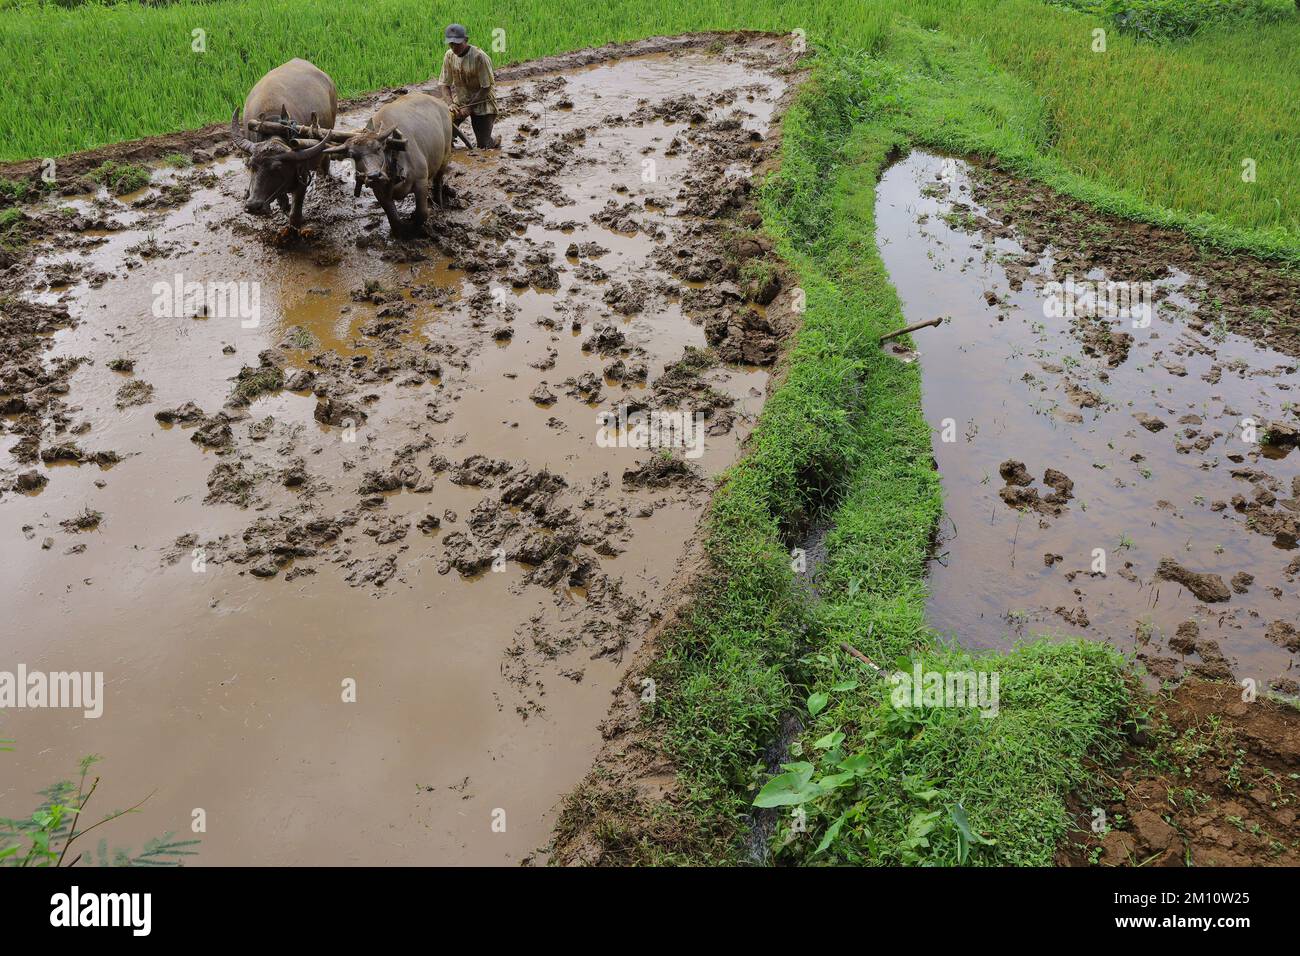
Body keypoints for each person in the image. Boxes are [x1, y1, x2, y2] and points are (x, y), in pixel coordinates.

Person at [438, 23, 499, 149]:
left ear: (466, 40)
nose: (454, 47)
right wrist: (450, 104)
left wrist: (469, 108)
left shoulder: (479, 57)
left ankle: (494, 141)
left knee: (484, 145)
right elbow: (444, 84)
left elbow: (486, 87)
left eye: (457, 43)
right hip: (460, 100)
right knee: (444, 134)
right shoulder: (449, 56)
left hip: (482, 101)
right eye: (451, 44)